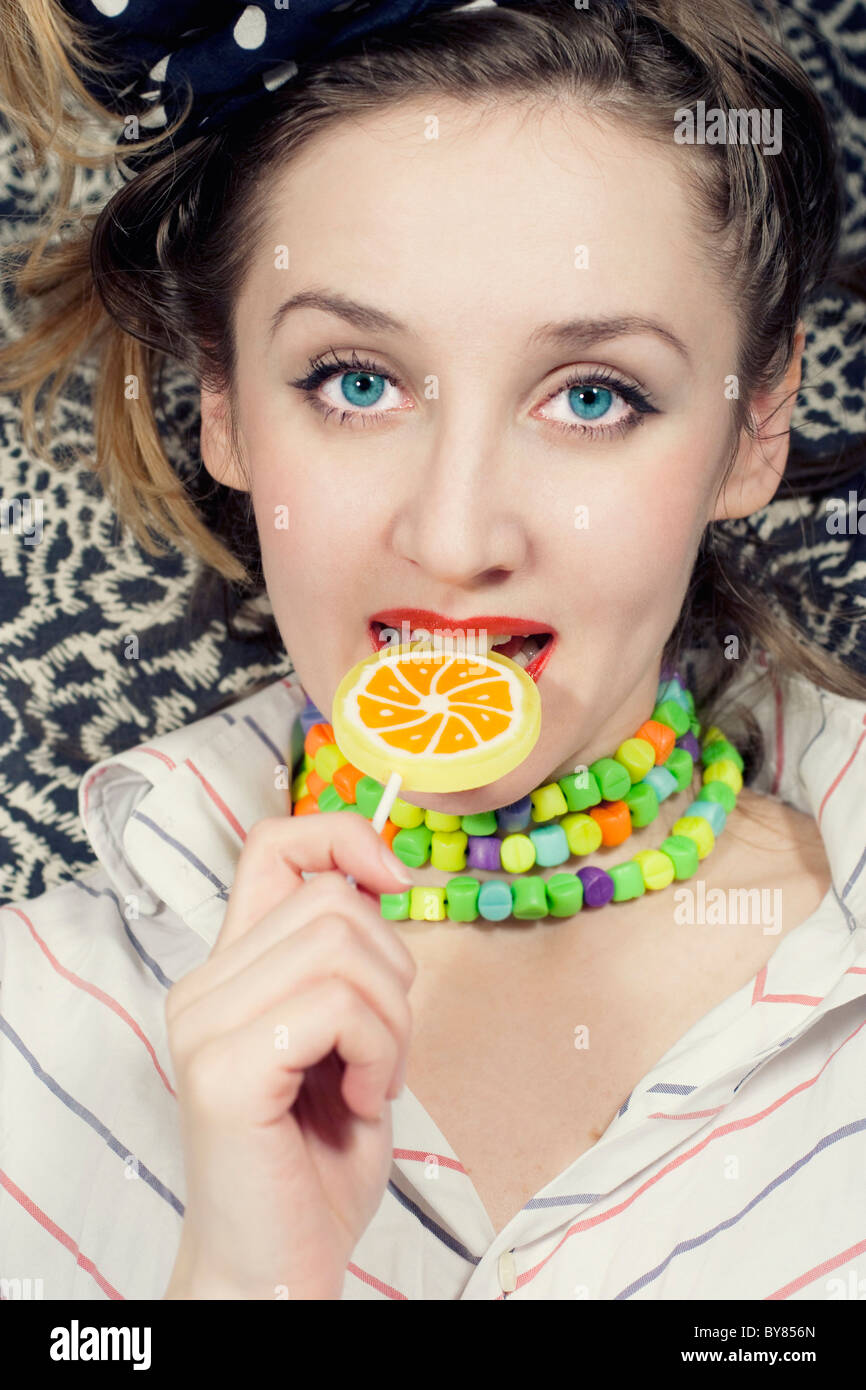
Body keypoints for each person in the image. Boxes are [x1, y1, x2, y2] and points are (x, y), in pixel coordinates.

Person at [1, 0, 865, 1301]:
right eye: (355, 380)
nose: (454, 534)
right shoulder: (31, 1023)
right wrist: (242, 1280)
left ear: (756, 422)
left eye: (590, 394)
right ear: (225, 406)